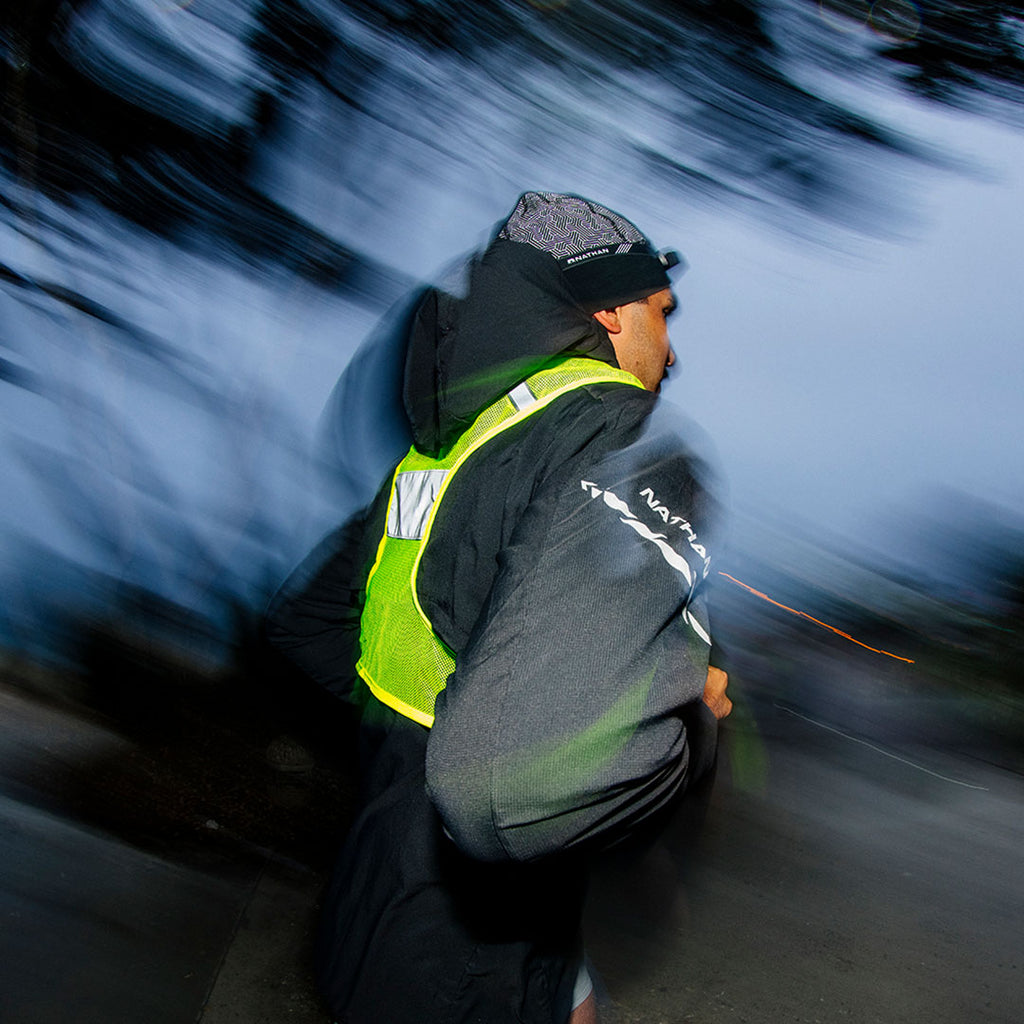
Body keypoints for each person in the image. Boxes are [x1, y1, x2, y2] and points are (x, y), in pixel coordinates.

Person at [265, 191, 731, 1024]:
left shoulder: (442, 450)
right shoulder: (614, 437)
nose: (671, 352)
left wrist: (433, 732)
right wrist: (686, 720)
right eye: (662, 314)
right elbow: (511, 792)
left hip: (390, 885)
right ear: (610, 311)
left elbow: (309, 625)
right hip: (469, 956)